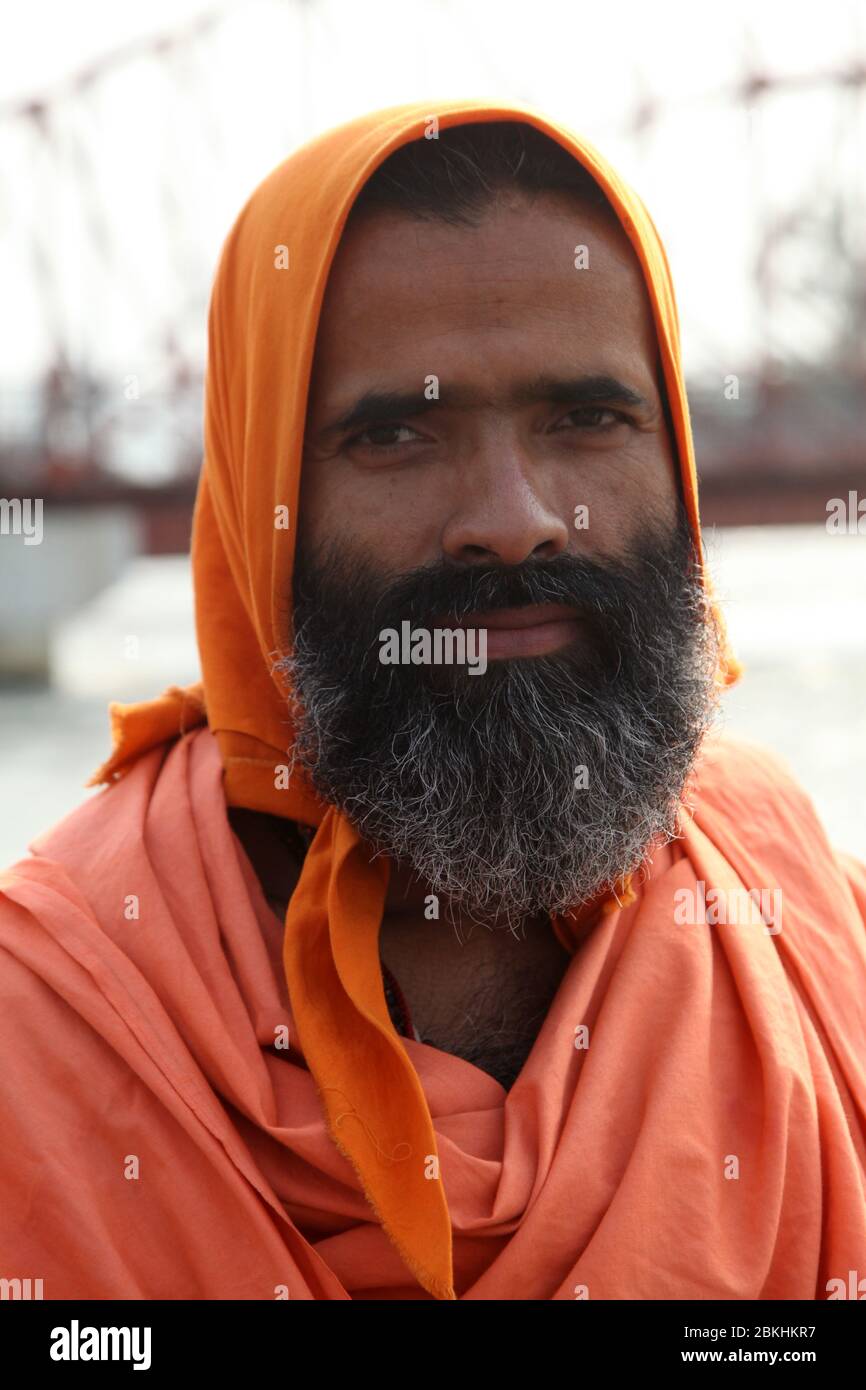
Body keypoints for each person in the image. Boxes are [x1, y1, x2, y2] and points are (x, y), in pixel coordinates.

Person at [1, 99, 865, 1302]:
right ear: (265, 495)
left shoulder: (788, 896)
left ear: (670, 447)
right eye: (398, 432)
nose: (513, 518)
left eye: (584, 417)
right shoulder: (49, 1015)